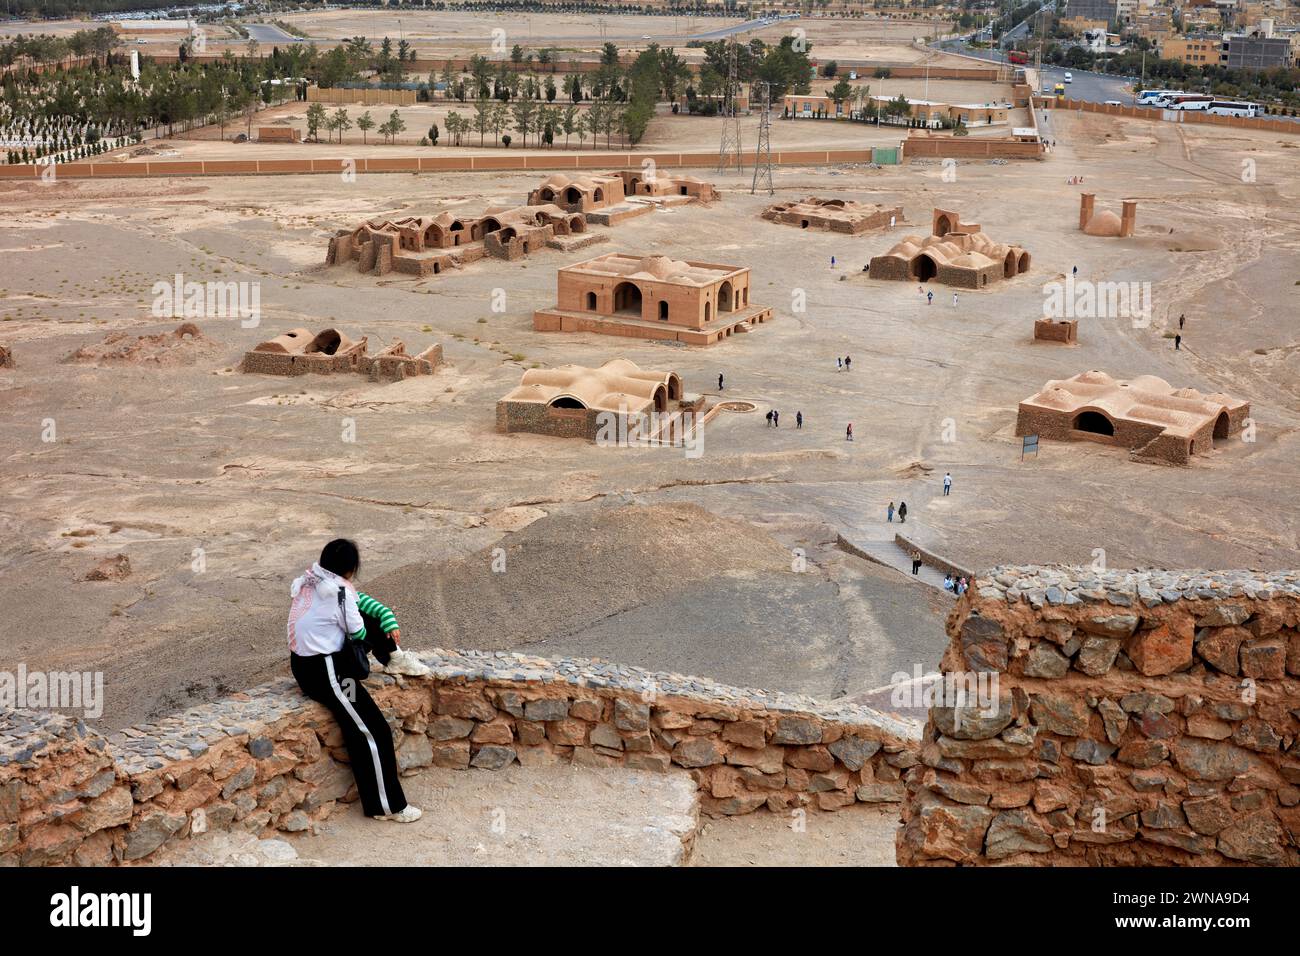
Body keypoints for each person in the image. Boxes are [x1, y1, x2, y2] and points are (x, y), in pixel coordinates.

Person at [287, 539, 424, 824]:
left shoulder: (309, 581)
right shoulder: (340, 591)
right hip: (326, 672)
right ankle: (388, 808)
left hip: (306, 666)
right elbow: (358, 630)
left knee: (359, 728)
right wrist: (376, 631)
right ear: (349, 569)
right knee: (374, 731)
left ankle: (394, 657)